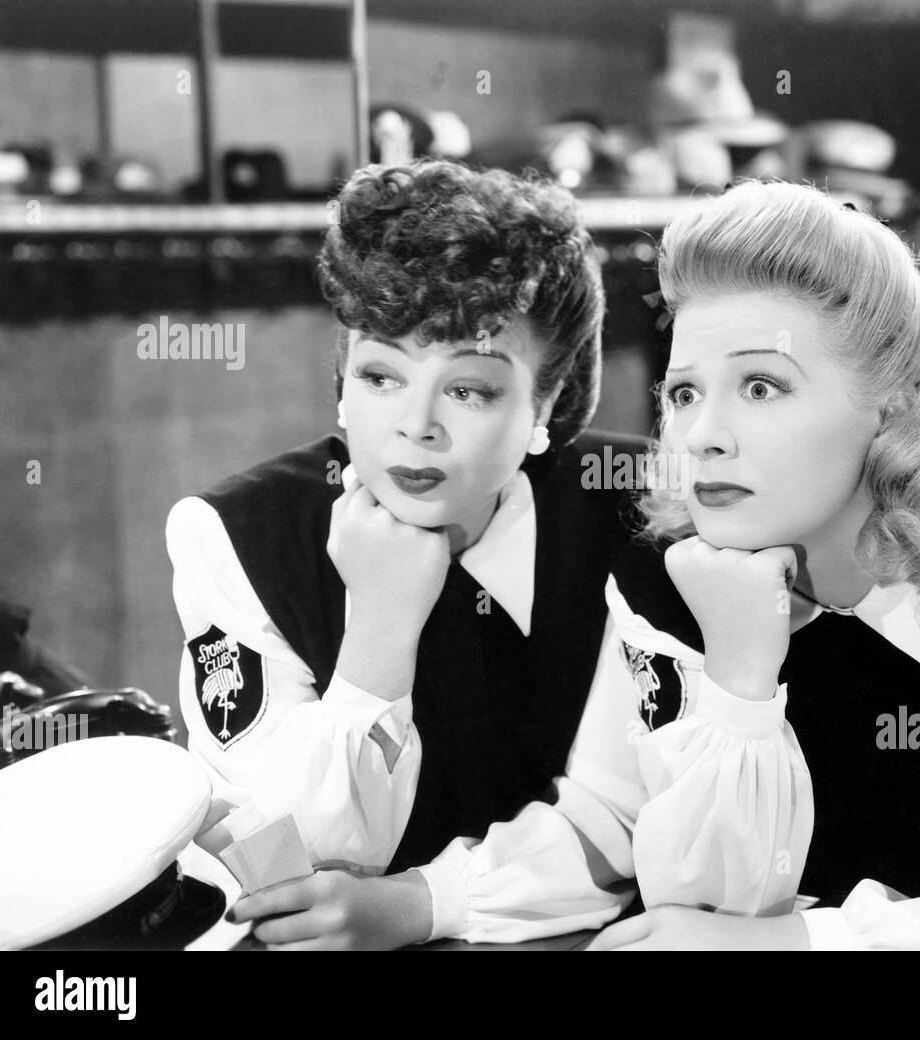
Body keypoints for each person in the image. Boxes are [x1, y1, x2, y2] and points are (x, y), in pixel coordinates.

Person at [383, 180, 920, 950]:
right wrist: (420, 903)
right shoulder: (667, 568)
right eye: (684, 394)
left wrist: (784, 943)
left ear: (894, 402)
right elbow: (610, 821)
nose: (702, 435)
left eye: (760, 386)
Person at [167, 158, 644, 949]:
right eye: (382, 375)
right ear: (342, 382)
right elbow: (266, 846)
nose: (416, 426)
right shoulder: (236, 535)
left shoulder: (636, 514)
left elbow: (631, 825)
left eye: (469, 389)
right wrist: (379, 635)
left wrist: (424, 903)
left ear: (546, 402)